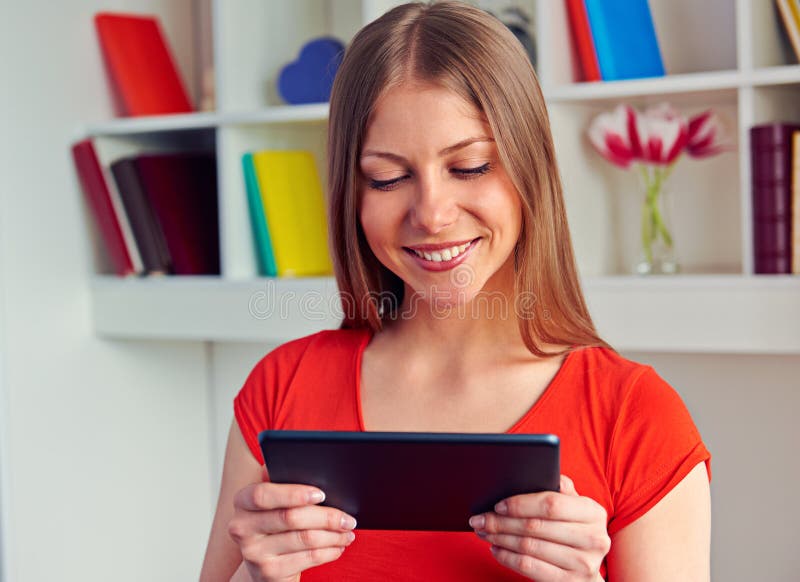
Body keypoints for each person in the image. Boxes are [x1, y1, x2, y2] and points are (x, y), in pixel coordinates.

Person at [199, 2, 711, 580]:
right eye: (387, 178)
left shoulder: (635, 418)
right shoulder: (280, 391)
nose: (432, 214)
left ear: (529, 170)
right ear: (352, 192)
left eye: (469, 167)